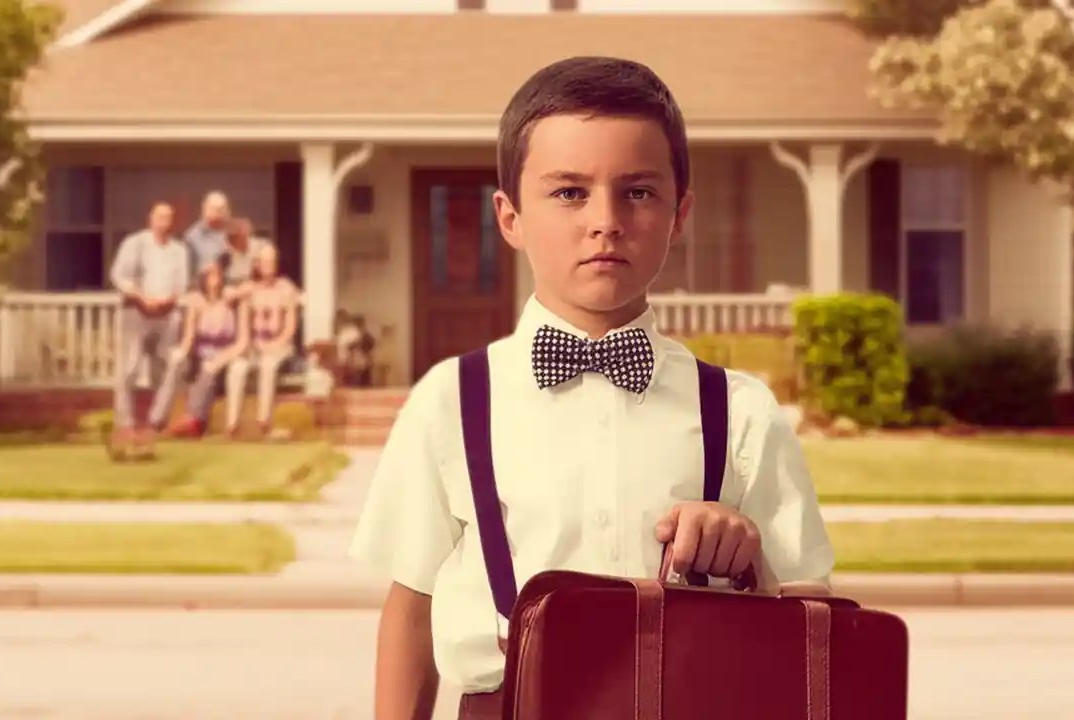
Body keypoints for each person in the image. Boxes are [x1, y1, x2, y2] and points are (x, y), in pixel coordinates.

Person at [348, 56, 835, 720]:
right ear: (510, 217)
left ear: (679, 213)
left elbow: (812, 626)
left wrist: (743, 555)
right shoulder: (452, 401)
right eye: (569, 192)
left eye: (637, 191)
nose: (605, 220)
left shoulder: (742, 414)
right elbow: (411, 610)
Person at [108, 202, 190, 441]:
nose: (164, 222)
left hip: (166, 314)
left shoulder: (179, 250)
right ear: (151, 219)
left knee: (170, 364)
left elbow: (181, 285)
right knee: (129, 367)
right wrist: (143, 298)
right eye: (160, 217)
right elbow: (119, 276)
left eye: (169, 218)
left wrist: (166, 301)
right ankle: (125, 423)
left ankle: (157, 420)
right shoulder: (135, 244)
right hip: (135, 312)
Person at [165, 260, 251, 438]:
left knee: (208, 368)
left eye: (217, 274)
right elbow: (189, 337)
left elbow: (243, 342)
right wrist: (182, 352)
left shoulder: (234, 301)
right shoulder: (197, 301)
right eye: (209, 275)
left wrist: (221, 358)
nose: (214, 279)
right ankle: (188, 421)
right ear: (202, 279)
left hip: (228, 355)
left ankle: (193, 419)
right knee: (199, 369)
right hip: (202, 357)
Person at [229, 243, 300, 435]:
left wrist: (274, 345)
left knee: (267, 365)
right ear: (257, 264)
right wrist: (250, 346)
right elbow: (244, 327)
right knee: (237, 368)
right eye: (265, 261)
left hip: (280, 346)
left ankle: (264, 422)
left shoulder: (286, 288)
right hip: (254, 345)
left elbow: (290, 327)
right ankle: (232, 424)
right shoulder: (248, 289)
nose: (269, 265)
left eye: (273, 261)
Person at [182, 191, 230, 278]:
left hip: (233, 287)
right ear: (204, 209)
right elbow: (188, 271)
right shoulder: (192, 237)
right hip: (204, 286)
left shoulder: (232, 232)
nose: (218, 214)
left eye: (221, 209)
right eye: (215, 209)